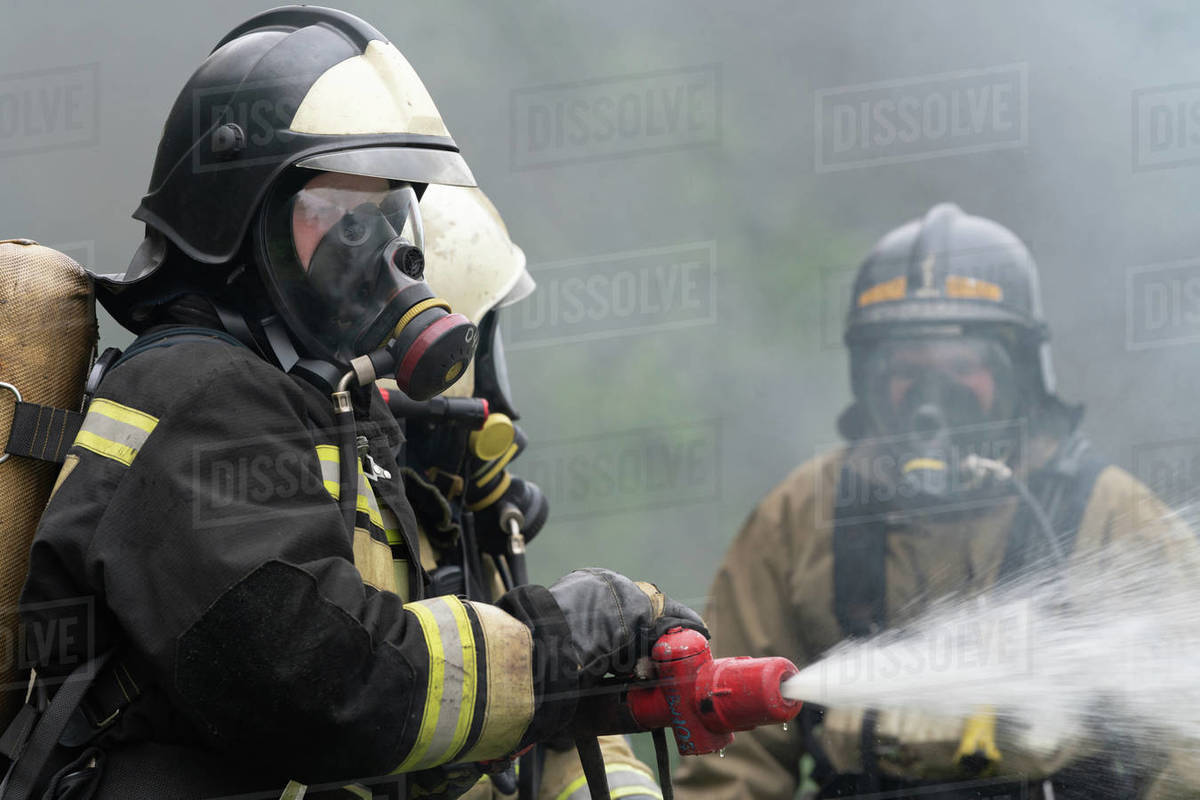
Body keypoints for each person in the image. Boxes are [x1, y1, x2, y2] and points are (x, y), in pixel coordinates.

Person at [11, 8, 703, 799]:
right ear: (235, 220)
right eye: (336, 212)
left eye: (384, 216)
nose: (374, 252)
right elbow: (326, 690)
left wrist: (604, 679)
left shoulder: (323, 417)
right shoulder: (197, 394)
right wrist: (561, 639)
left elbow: (419, 743)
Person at [673, 203, 1200, 800]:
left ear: (1022, 373)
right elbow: (731, 761)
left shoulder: (1114, 518)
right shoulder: (802, 518)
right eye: (903, 367)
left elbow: (1190, 749)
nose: (930, 397)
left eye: (963, 365)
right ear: (866, 377)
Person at [387, 183, 667, 800]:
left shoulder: (455, 526)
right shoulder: (366, 529)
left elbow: (553, 724)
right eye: (480, 351)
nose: (499, 400)